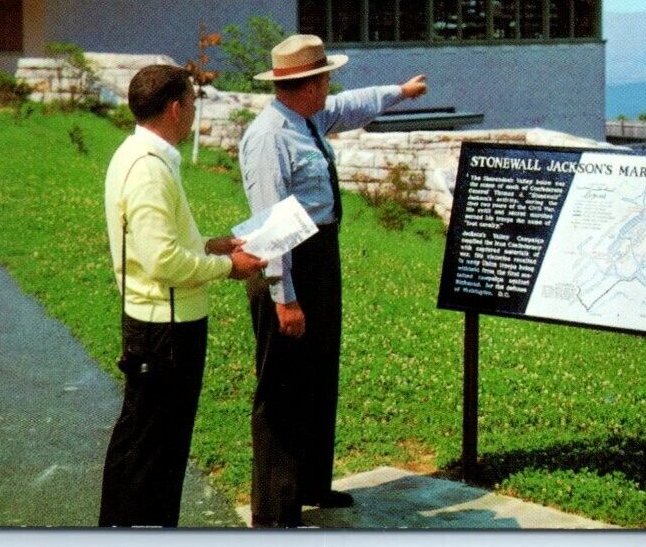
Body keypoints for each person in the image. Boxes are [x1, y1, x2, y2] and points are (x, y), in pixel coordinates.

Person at [238, 34, 427, 528]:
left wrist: (399, 93)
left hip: (320, 253)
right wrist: (286, 298)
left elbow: (352, 105)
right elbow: (268, 225)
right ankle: (275, 512)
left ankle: (310, 483)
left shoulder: (309, 117)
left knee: (319, 372)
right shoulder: (269, 137)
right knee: (282, 385)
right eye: (324, 77)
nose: (330, 86)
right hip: (288, 259)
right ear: (307, 83)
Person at [100, 64, 266, 527]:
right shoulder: (150, 169)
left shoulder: (137, 155)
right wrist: (227, 266)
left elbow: (159, 242)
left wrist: (210, 245)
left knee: (141, 443)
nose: (193, 111)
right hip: (166, 329)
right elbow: (163, 262)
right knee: (156, 451)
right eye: (192, 102)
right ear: (175, 108)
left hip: (157, 322)